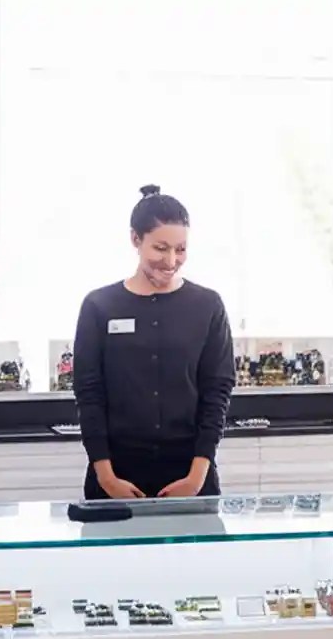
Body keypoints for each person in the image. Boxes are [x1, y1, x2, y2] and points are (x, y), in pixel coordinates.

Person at [73, 184, 235, 500]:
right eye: (160, 248)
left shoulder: (208, 306)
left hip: (190, 476)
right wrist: (107, 479)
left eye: (181, 249)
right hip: (116, 476)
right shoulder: (99, 306)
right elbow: (89, 395)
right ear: (136, 239)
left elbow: (217, 391)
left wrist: (197, 476)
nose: (171, 260)